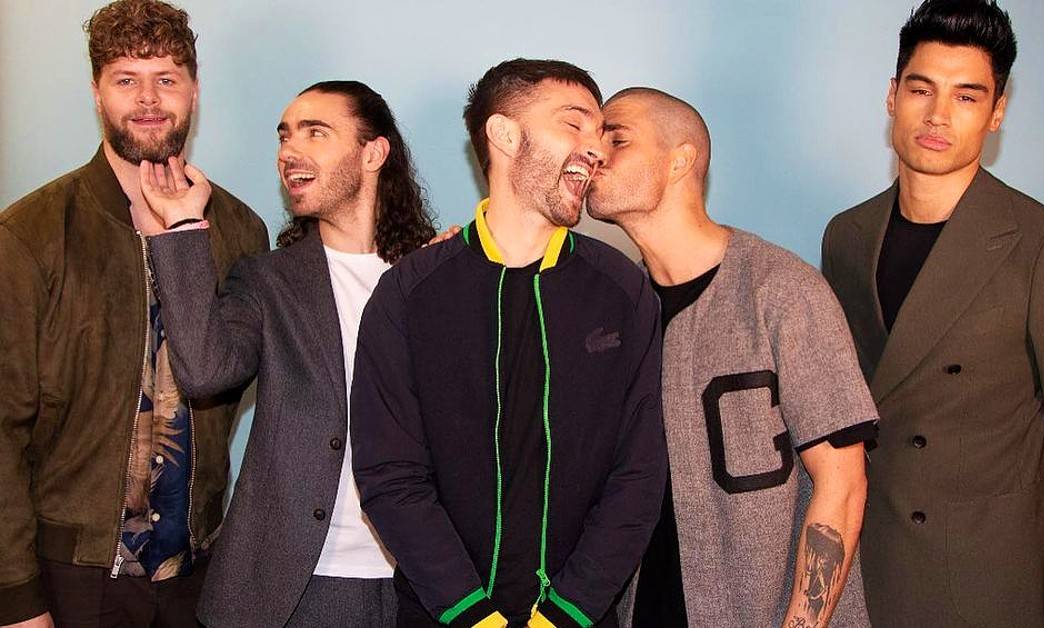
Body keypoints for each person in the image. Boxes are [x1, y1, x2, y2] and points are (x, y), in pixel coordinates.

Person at [821, 1, 1044, 625]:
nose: (938, 115)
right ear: (892, 97)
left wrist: (1033, 554)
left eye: (966, 96)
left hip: (985, 583)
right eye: (921, 89)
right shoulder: (847, 236)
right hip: (865, 567)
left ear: (997, 113)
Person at [350, 58, 667, 628]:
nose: (595, 149)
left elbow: (637, 476)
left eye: (600, 132)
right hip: (445, 617)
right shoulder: (409, 294)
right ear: (504, 134)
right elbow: (391, 476)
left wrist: (564, 614)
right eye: (574, 123)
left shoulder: (623, 291)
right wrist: (473, 615)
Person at [0, 1, 268, 626]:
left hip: (197, 575)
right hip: (70, 574)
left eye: (166, 78)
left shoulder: (240, 231)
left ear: (194, 91)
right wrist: (16, 598)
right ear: (97, 92)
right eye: (127, 79)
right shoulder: (30, 234)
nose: (149, 99)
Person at [138, 80, 436, 627]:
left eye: (315, 133)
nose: (289, 151)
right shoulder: (268, 281)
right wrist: (181, 225)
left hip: (421, 581)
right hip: (296, 584)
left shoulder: (435, 275)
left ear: (373, 153)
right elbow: (203, 372)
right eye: (284, 136)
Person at [587, 87, 876, 628]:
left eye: (616, 139)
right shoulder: (618, 313)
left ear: (680, 160)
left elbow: (843, 483)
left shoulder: (782, 291)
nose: (594, 152)